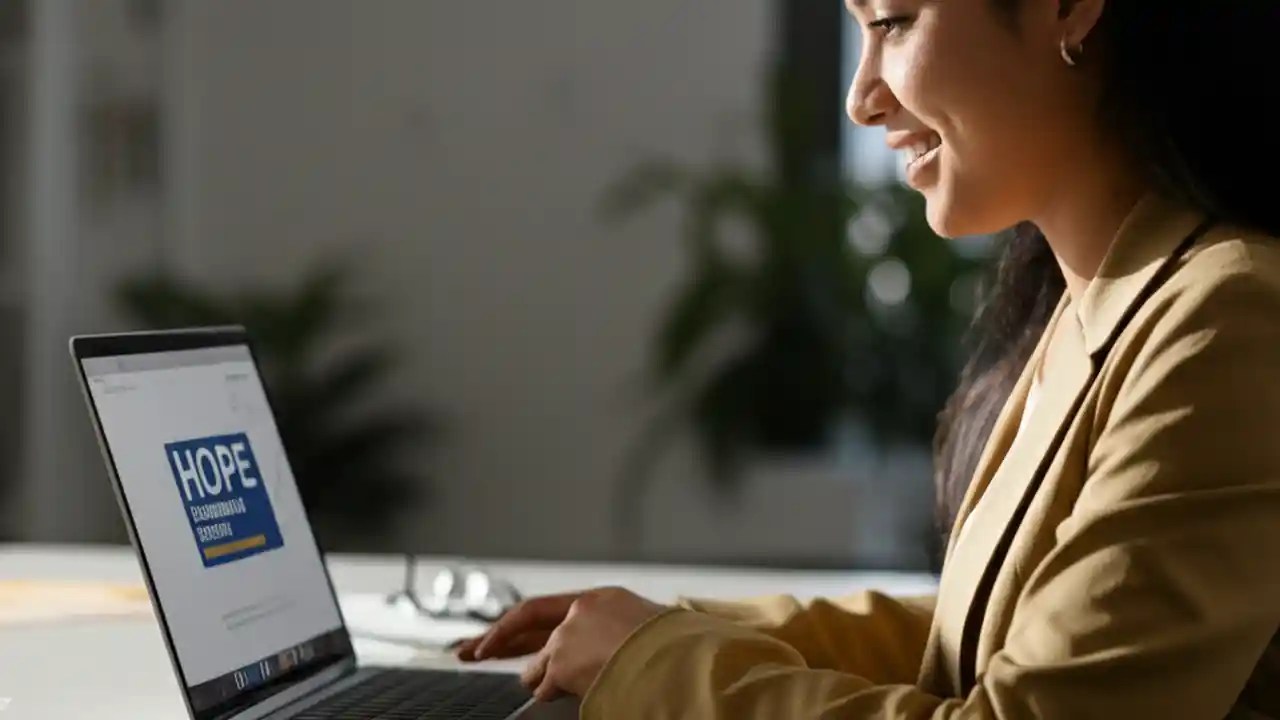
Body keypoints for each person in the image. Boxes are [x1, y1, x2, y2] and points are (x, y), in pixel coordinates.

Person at [457, 0, 1280, 716]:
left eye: (892, 22)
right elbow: (989, 634)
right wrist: (657, 630)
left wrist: (656, 670)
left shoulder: (1228, 319)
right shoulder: (1106, 299)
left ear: (1067, 5)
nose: (860, 98)